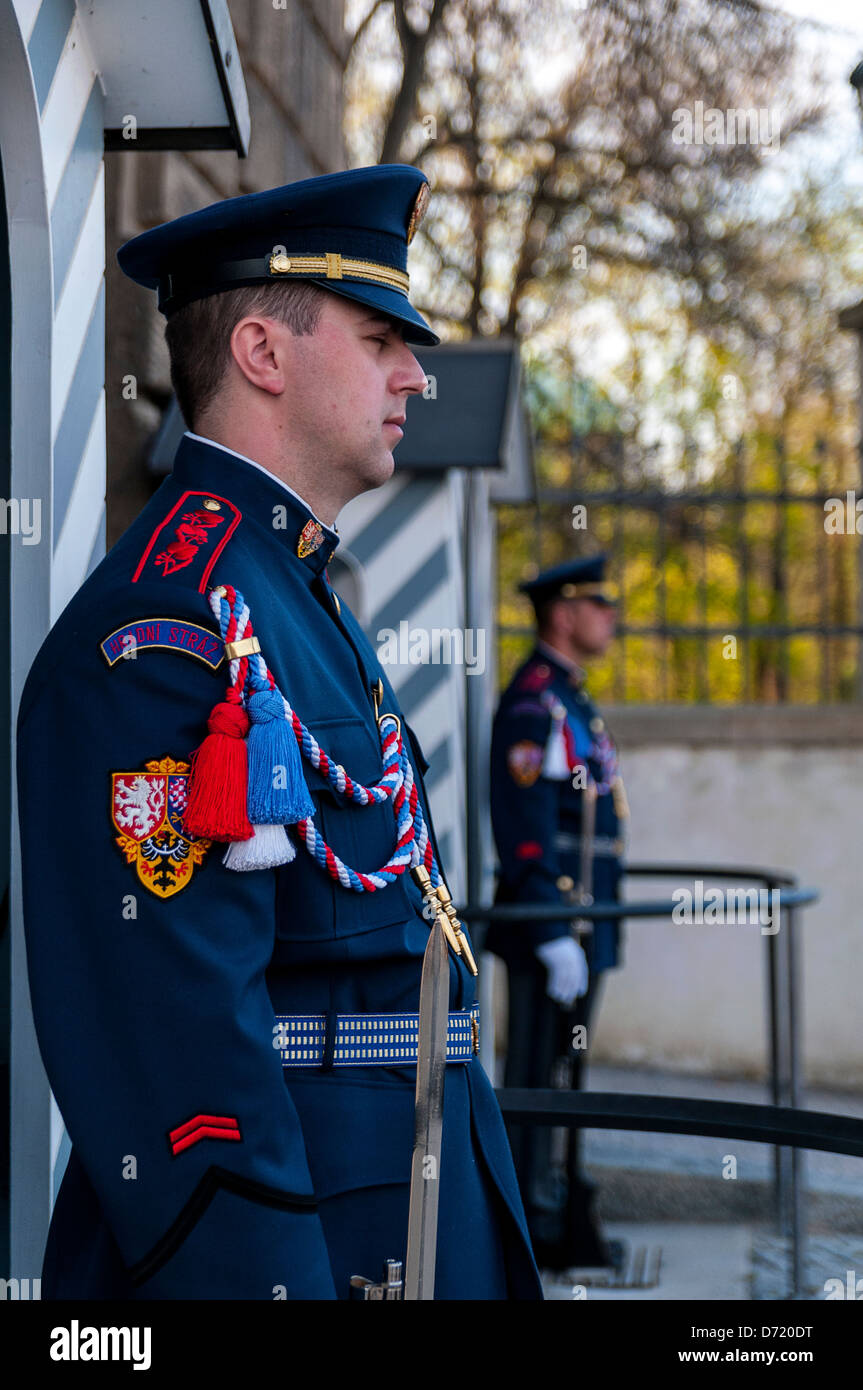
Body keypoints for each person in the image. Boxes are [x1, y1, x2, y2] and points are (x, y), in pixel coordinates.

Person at [16, 165, 542, 1300]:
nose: (414, 374)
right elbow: (175, 1041)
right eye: (379, 339)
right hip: (305, 1244)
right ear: (262, 352)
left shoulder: (289, 590)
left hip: (404, 1200)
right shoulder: (170, 631)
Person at [487, 554, 628, 1275]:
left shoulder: (570, 697)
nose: (612, 616)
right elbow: (524, 828)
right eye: (600, 604)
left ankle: (551, 1211)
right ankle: (528, 1227)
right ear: (564, 614)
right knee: (537, 1077)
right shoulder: (534, 702)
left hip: (582, 923)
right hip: (555, 926)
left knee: (563, 1074)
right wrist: (548, 931)